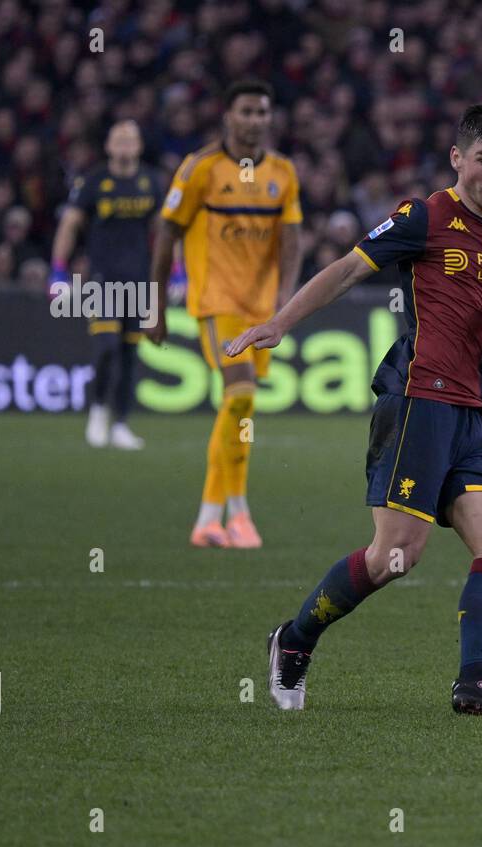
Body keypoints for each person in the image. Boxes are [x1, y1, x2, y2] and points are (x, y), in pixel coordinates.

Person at [226, 103, 482, 714]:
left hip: (471, 415)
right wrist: (280, 322)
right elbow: (345, 270)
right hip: (419, 400)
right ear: (458, 160)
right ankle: (295, 638)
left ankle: (477, 682)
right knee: (395, 555)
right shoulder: (426, 216)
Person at [147, 80, 303, 549]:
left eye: (262, 112)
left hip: (262, 313)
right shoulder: (200, 169)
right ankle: (225, 514)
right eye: (247, 111)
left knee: (242, 407)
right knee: (239, 397)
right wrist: (154, 307)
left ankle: (221, 518)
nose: (256, 120)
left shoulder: (282, 173)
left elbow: (292, 241)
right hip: (217, 304)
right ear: (227, 117)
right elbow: (166, 234)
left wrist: (286, 301)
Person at [51, 120, 161, 449]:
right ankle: (98, 411)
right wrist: (58, 270)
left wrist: (178, 271)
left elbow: (166, 231)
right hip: (103, 281)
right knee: (107, 349)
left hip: (139, 282)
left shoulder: (151, 182)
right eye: (119, 140)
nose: (125, 146)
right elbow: (70, 224)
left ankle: (121, 425)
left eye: (131, 140)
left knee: (129, 354)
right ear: (109, 146)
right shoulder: (94, 181)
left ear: (139, 146)